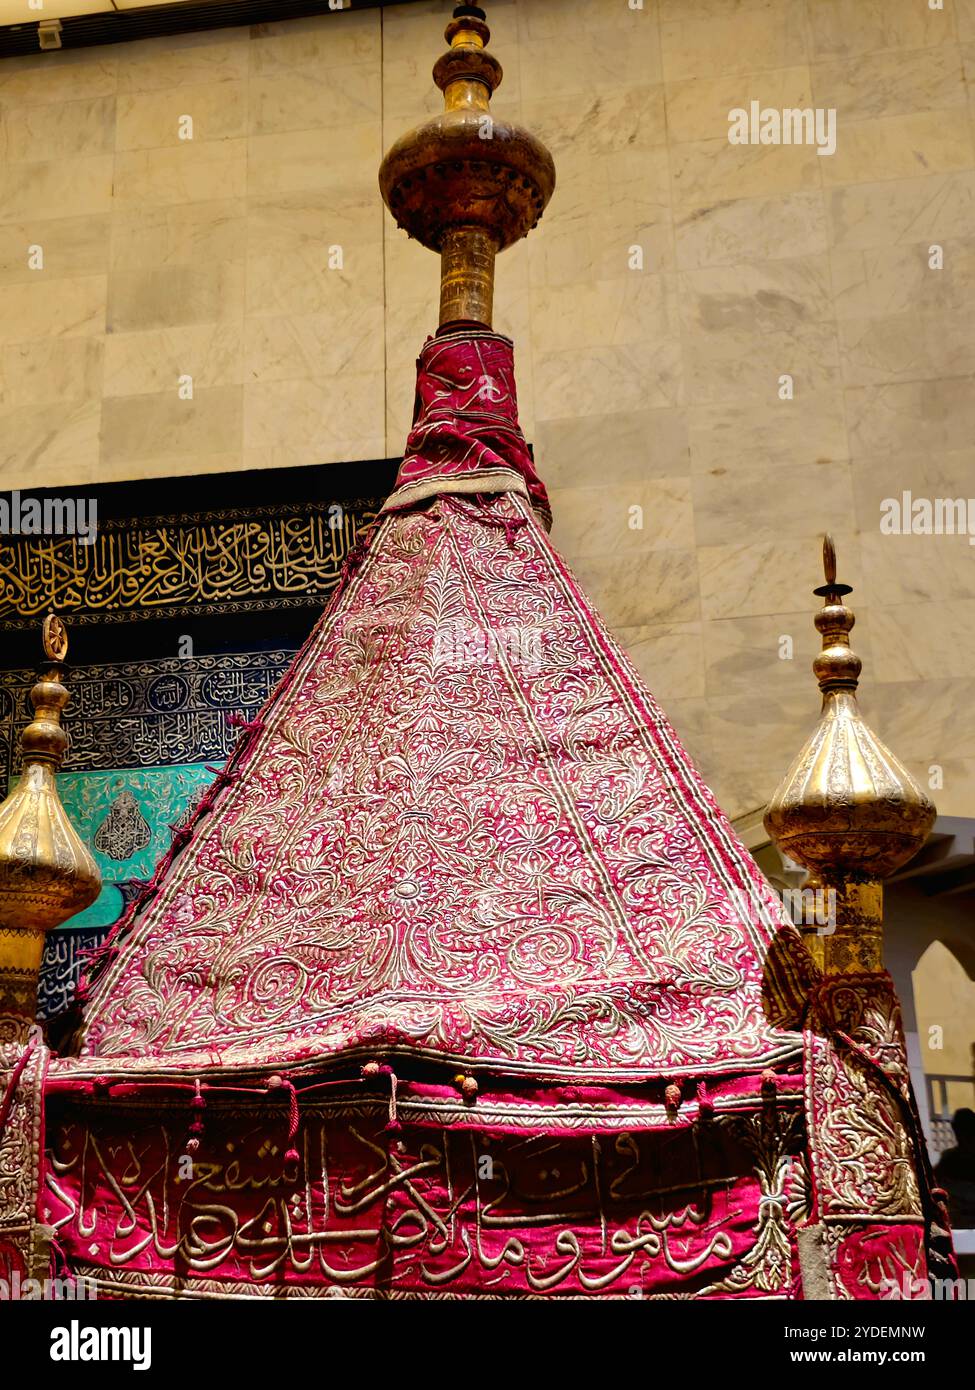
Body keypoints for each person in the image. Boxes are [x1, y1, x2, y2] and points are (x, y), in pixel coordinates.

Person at [934, 1107, 975, 1229]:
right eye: (960, 1133)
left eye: (968, 1133)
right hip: (958, 1224)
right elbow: (934, 1183)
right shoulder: (948, 1158)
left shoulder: (949, 1158)